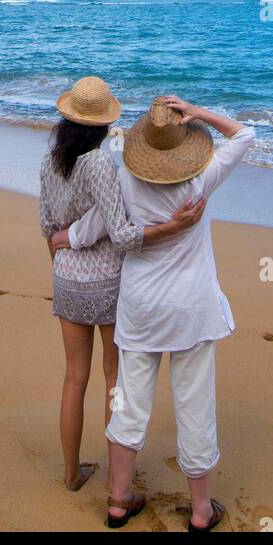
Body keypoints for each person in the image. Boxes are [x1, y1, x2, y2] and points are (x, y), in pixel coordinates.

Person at [52, 94, 254, 529]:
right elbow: (245, 135)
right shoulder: (201, 181)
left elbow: (94, 228)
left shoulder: (124, 180)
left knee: (128, 402)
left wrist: (63, 238)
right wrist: (199, 112)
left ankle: (119, 500)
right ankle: (201, 511)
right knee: (195, 406)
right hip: (192, 309)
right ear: (184, 147)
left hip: (140, 307)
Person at [39, 76, 206, 492]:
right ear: (101, 126)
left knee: (73, 378)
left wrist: (61, 264)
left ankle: (71, 472)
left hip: (67, 279)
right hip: (108, 282)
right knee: (114, 378)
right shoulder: (99, 164)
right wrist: (173, 226)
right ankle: (118, 482)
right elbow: (124, 235)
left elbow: (47, 227)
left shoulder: (51, 162)